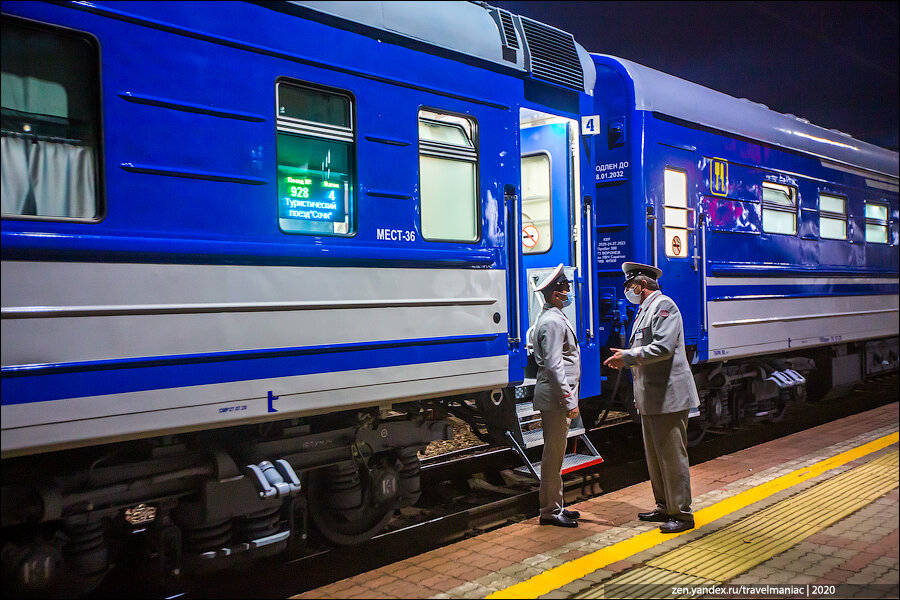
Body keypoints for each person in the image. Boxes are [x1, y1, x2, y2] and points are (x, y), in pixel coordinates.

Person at [602, 262, 699, 533]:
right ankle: (663, 506)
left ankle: (681, 514)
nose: (627, 292)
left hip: (669, 397)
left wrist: (627, 356)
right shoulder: (645, 310)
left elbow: (664, 348)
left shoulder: (664, 306)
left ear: (641, 285)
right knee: (656, 458)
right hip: (651, 397)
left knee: (672, 457)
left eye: (629, 286)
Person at [531, 263, 582, 527]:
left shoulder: (554, 317)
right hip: (555, 399)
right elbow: (554, 365)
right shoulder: (551, 322)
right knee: (553, 455)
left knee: (557, 453)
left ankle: (556, 505)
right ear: (555, 294)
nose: (569, 292)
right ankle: (550, 511)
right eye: (565, 288)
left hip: (555, 397)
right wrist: (569, 401)